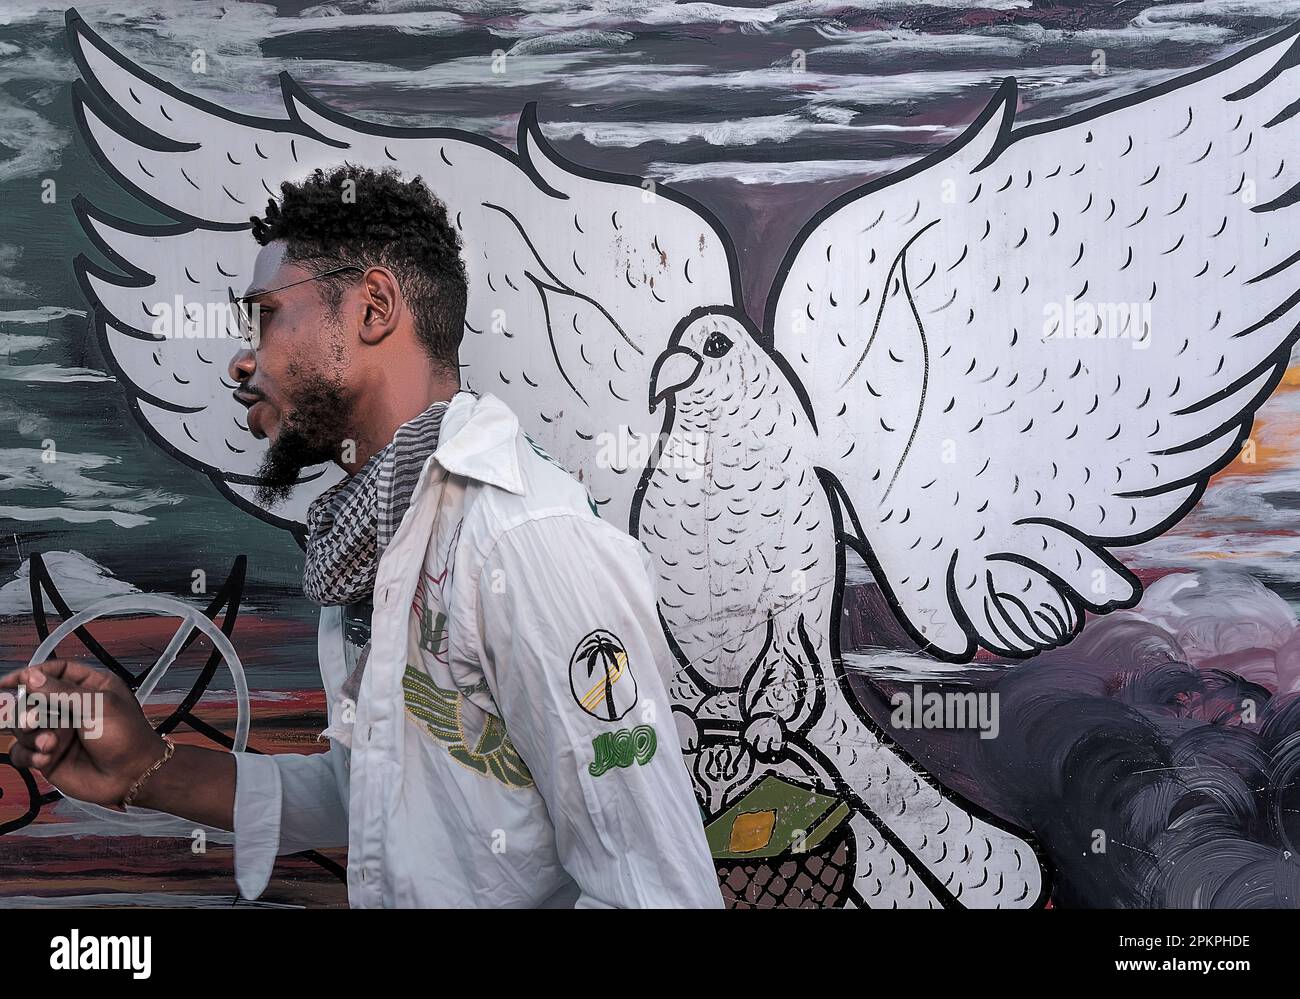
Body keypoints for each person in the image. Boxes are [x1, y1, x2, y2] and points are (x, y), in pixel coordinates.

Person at [3, 163, 724, 909]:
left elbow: (659, 891)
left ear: (373, 306)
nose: (241, 360)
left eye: (266, 317)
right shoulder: (381, 533)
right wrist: (147, 765)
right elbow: (382, 790)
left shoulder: (522, 540)